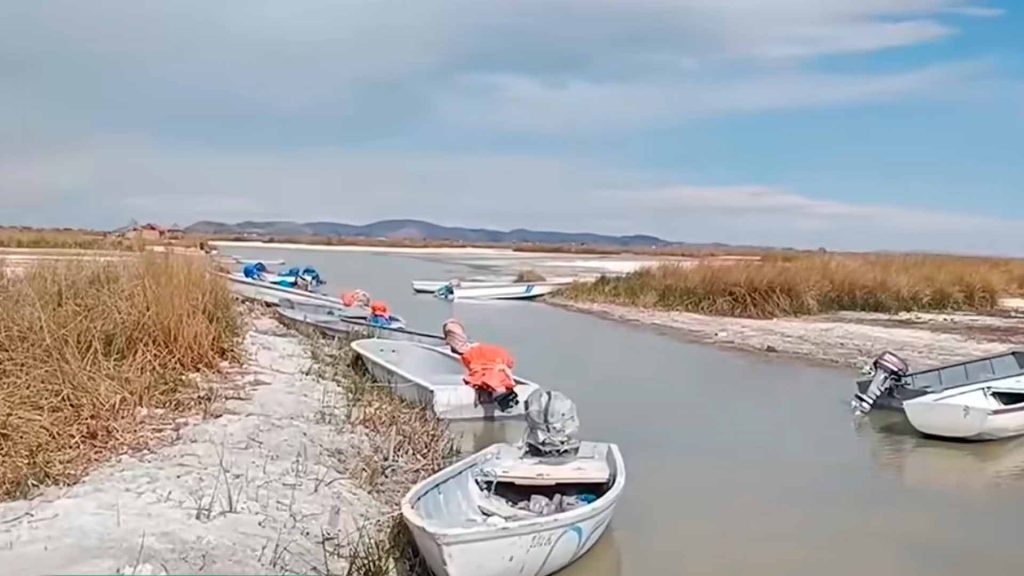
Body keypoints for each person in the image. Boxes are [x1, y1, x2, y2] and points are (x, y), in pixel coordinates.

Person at [442, 319, 519, 412]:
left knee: (490, 376)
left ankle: (502, 396)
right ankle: (502, 396)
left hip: (491, 367)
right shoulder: (476, 350)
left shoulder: (471, 352)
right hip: (493, 366)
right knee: (492, 376)